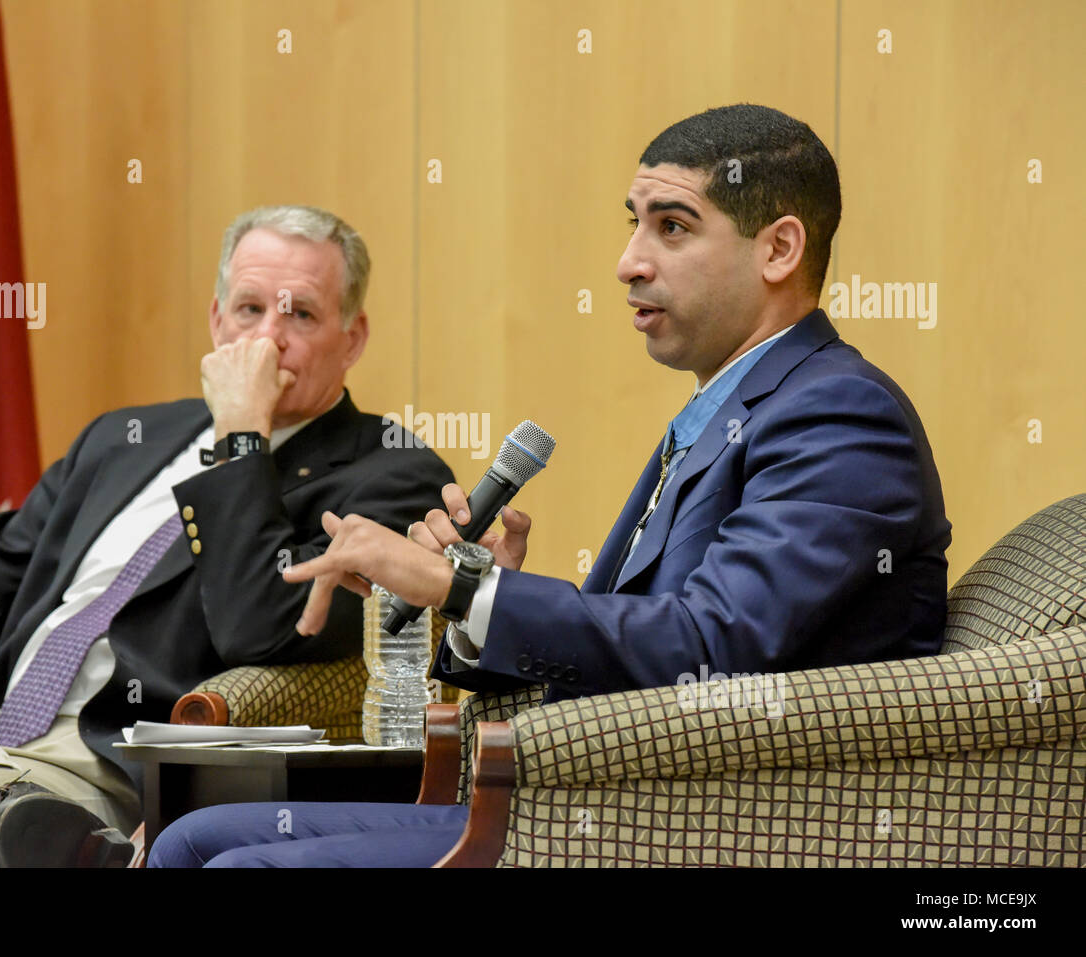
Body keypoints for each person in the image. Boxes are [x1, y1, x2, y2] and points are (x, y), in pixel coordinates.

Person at [149, 104, 952, 868]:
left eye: (671, 226)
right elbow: (651, 649)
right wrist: (487, 590)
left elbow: (715, 646)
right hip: (608, 793)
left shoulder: (839, 414)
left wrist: (461, 585)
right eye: (633, 222)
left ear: (778, 249)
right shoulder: (737, 404)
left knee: (235, 859)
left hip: (706, 826)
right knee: (192, 837)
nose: (628, 260)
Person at [0, 205, 454, 866]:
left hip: (109, 772)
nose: (267, 339)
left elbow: (259, 626)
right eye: (250, 310)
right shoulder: (124, 438)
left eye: (300, 314)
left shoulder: (393, 475)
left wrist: (241, 437)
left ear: (354, 337)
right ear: (216, 320)